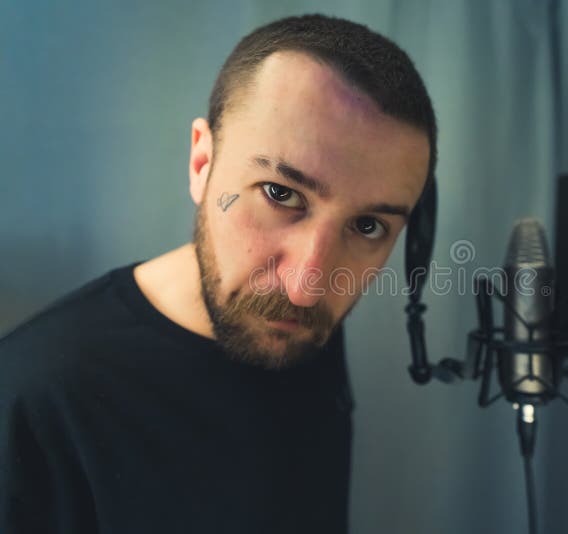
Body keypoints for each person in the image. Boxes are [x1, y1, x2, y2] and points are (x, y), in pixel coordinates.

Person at [0, 14, 437, 533]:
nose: (305, 286)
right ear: (202, 163)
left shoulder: (298, 324)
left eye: (367, 225)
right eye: (280, 194)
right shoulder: (30, 397)